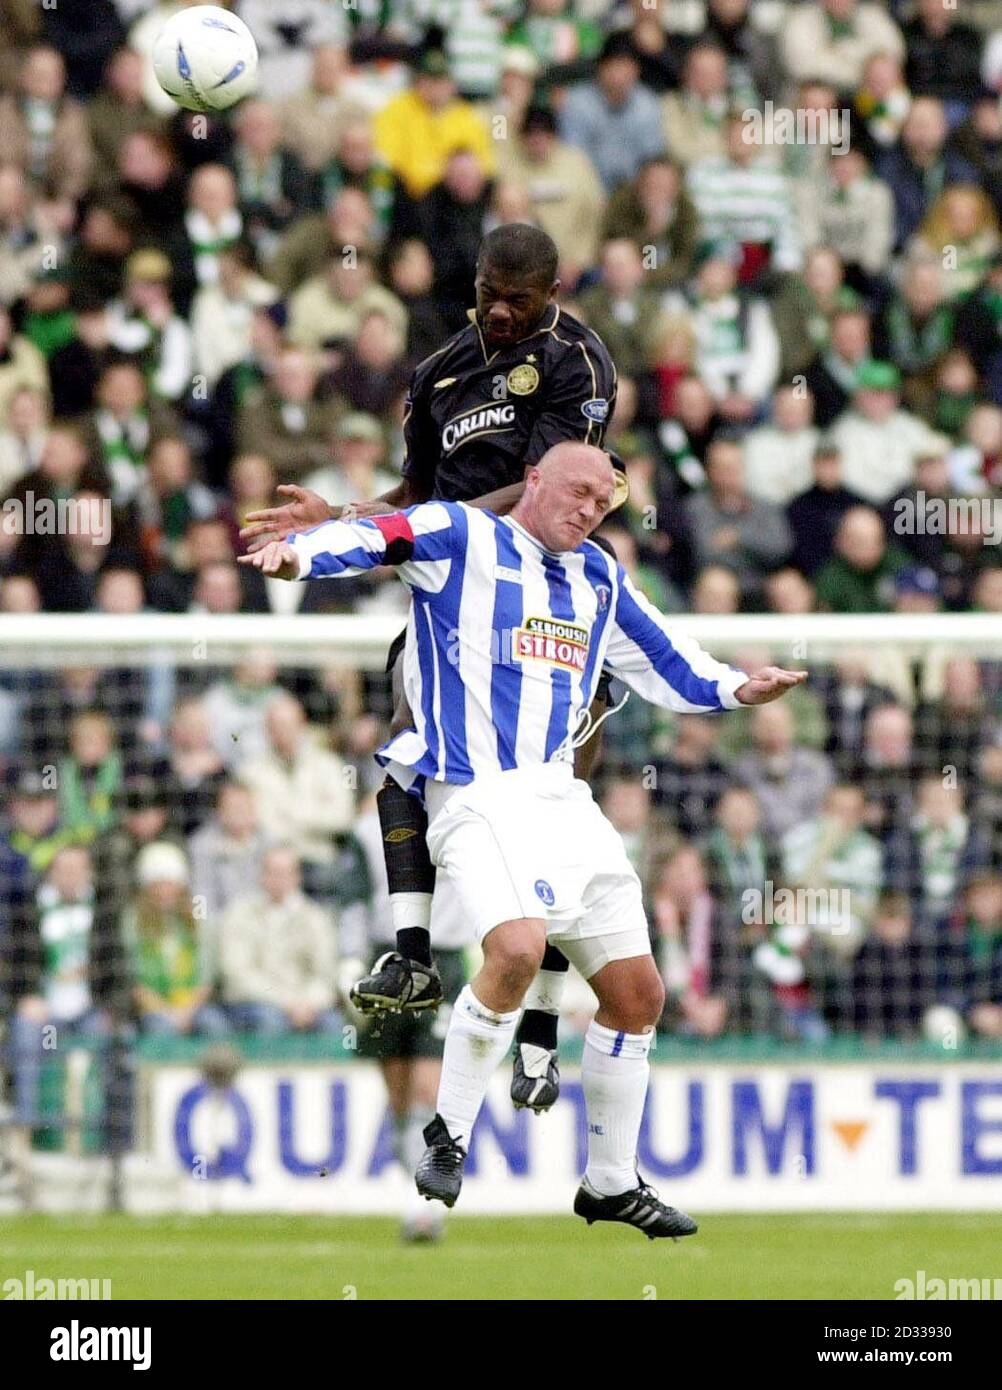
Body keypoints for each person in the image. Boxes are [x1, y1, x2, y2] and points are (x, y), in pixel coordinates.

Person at [241, 441, 806, 1236]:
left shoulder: (598, 577)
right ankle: (449, 1134)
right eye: (575, 492)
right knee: (513, 949)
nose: (586, 510)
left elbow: (662, 653)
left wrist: (735, 687)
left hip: (560, 797)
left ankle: (609, 1182)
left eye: (600, 503)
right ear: (533, 479)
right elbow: (377, 538)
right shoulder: (463, 537)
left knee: (640, 995)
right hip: (472, 791)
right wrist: (299, 555)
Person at [240, 223, 621, 1116]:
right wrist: (346, 511)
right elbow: (419, 495)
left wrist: (422, 532)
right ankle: (411, 955)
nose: (498, 308)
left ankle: (540, 1024)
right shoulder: (439, 373)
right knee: (405, 745)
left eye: (518, 298)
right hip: (452, 589)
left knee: (562, 796)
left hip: (544, 584)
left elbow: (550, 490)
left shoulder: (578, 364)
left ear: (552, 292)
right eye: (489, 288)